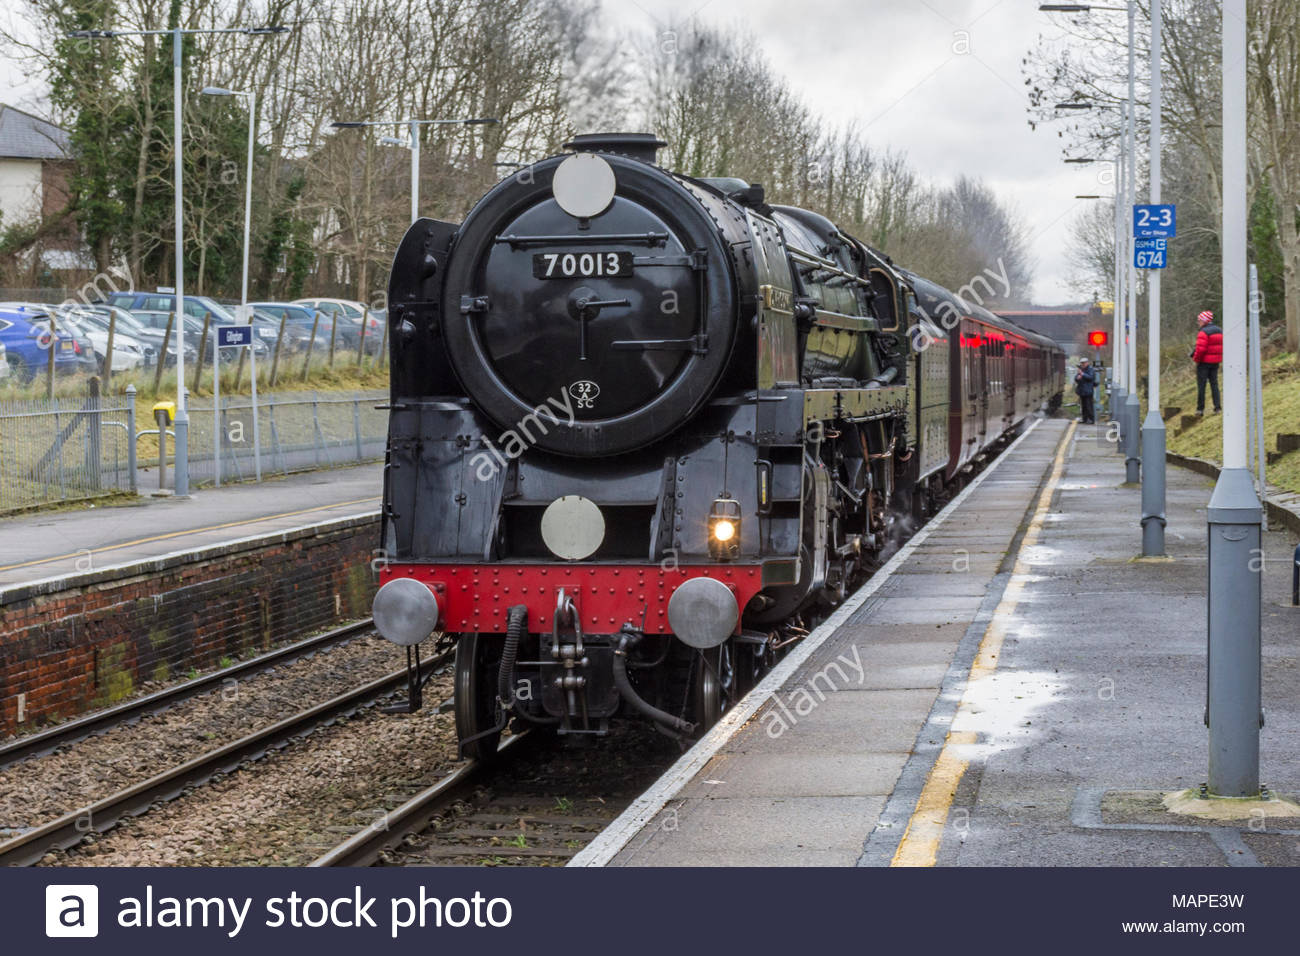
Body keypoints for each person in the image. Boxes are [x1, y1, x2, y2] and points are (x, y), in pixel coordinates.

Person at [1190, 310, 1223, 414]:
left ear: (1204, 321)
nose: (1198, 322)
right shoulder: (1219, 330)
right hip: (1215, 362)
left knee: (1202, 386)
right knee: (1214, 384)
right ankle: (1217, 407)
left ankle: (1200, 409)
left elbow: (1201, 349)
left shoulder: (1203, 332)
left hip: (1204, 363)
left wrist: (1196, 359)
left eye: (1199, 320)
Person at [1074, 356, 1098, 424]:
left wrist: (1082, 374)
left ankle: (1091, 419)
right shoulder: (1081, 369)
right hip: (1082, 390)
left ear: (1087, 363)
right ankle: (1084, 419)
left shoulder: (1090, 369)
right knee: (1083, 406)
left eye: (1084, 363)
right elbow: (1076, 378)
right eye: (1082, 363)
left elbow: (1090, 377)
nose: (1083, 364)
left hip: (1088, 391)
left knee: (1089, 406)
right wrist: (1077, 378)